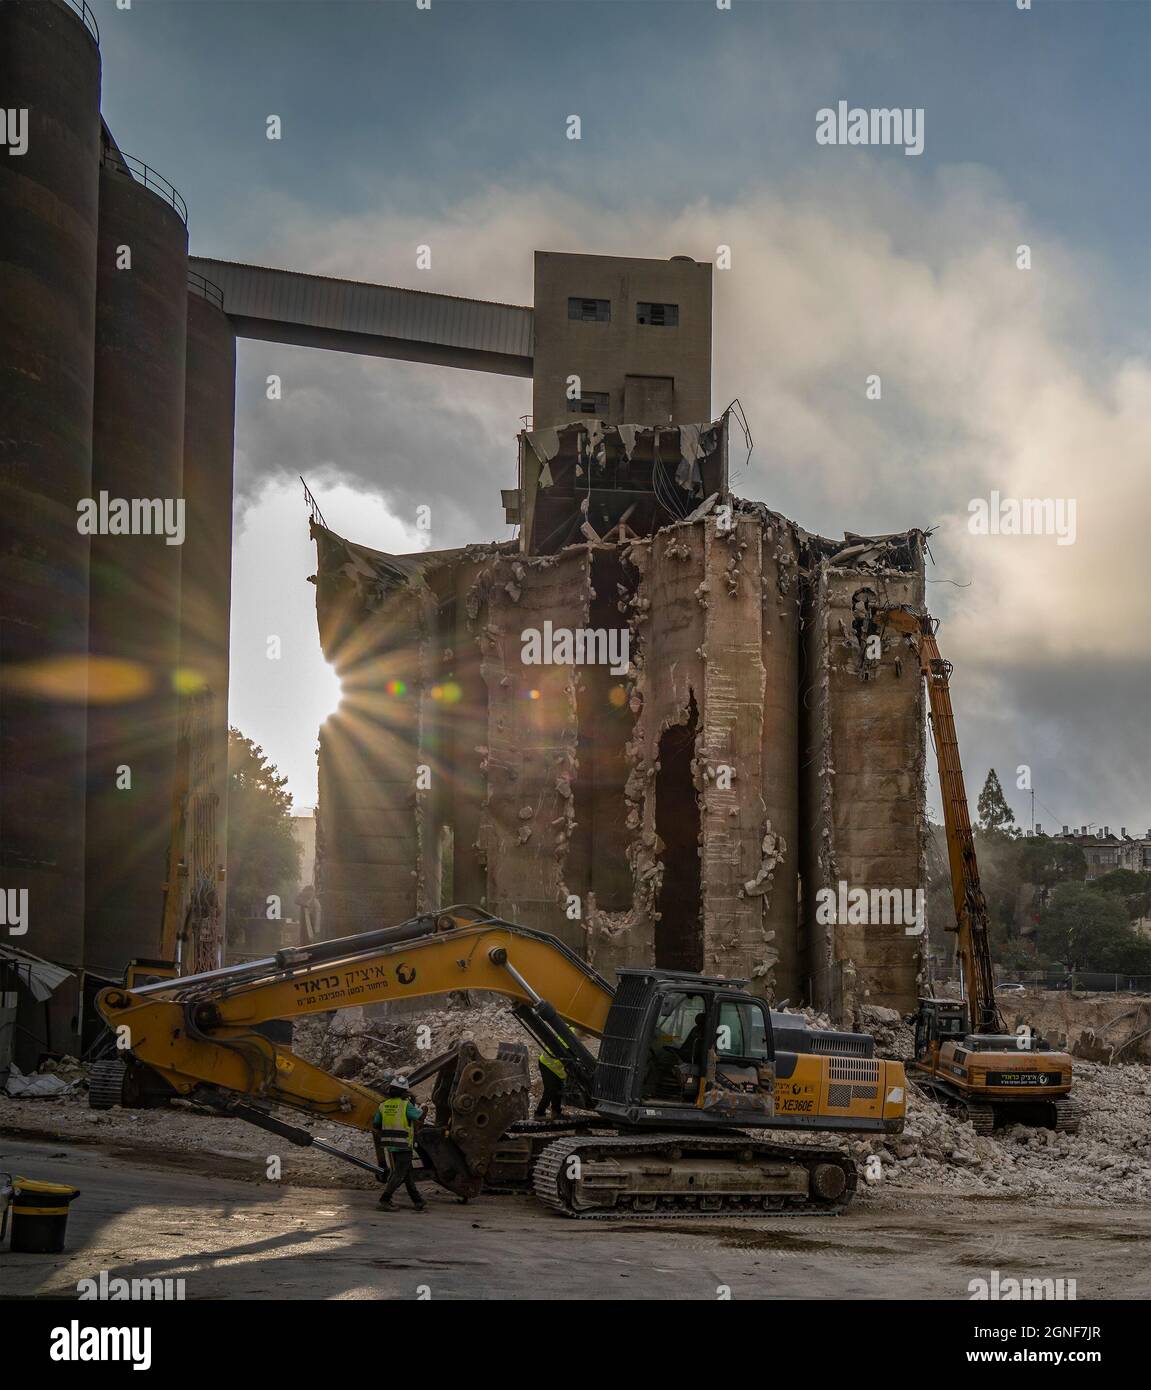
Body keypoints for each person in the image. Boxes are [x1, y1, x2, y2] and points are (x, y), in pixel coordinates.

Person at [372, 1077, 426, 1212]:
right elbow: (419, 1118)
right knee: (399, 1174)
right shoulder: (405, 1105)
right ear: (404, 1092)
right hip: (403, 1144)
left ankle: (418, 1200)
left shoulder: (383, 1105)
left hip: (391, 1145)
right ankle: (384, 1200)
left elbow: (376, 1124)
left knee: (406, 1173)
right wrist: (424, 1109)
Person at [535, 1046, 566, 1120]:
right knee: (550, 1089)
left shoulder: (571, 1042)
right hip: (547, 1064)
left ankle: (556, 1112)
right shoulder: (569, 1044)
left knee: (558, 1088)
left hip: (554, 1067)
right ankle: (539, 1113)